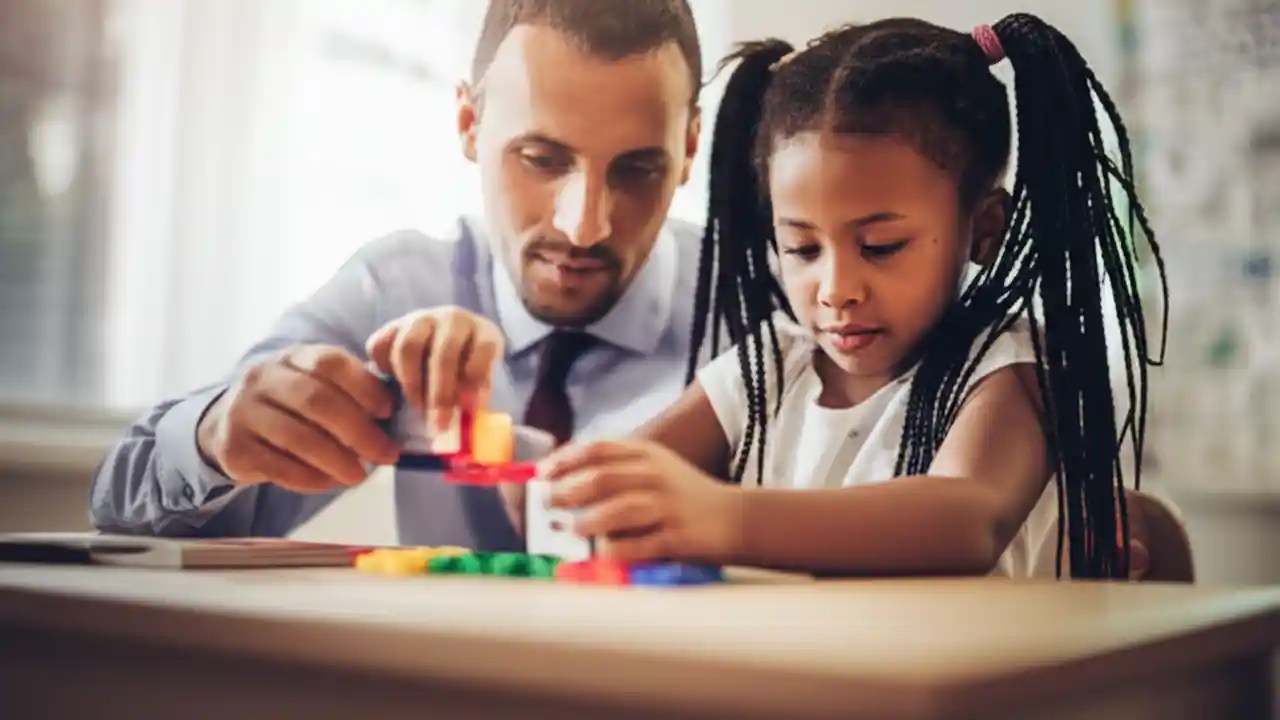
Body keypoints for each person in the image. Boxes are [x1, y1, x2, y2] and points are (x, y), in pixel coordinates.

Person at [534, 15, 1168, 578]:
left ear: (984, 229)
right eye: (803, 250)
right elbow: (622, 478)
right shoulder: (768, 370)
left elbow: (966, 519)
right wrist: (561, 484)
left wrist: (726, 518)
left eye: (882, 246)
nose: (836, 291)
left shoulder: (1008, 373)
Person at [89, 0, 707, 551]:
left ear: (690, 145)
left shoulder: (765, 310)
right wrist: (215, 435)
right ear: (468, 124)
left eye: (637, 170)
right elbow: (122, 516)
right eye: (541, 159)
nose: (584, 227)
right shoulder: (396, 291)